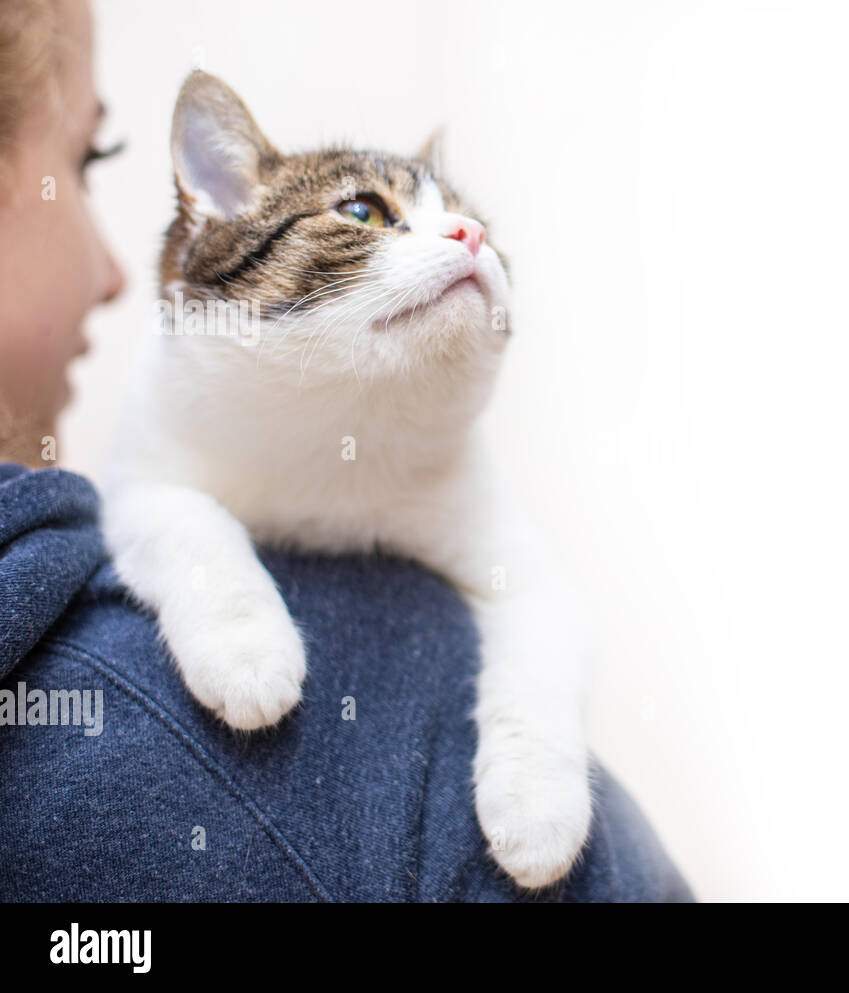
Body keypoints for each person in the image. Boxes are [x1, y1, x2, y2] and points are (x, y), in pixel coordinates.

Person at [0, 0, 691, 902]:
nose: (462, 236)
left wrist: (529, 742)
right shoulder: (169, 438)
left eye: (461, 219)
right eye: (368, 210)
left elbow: (537, 599)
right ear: (212, 211)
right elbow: (149, 498)